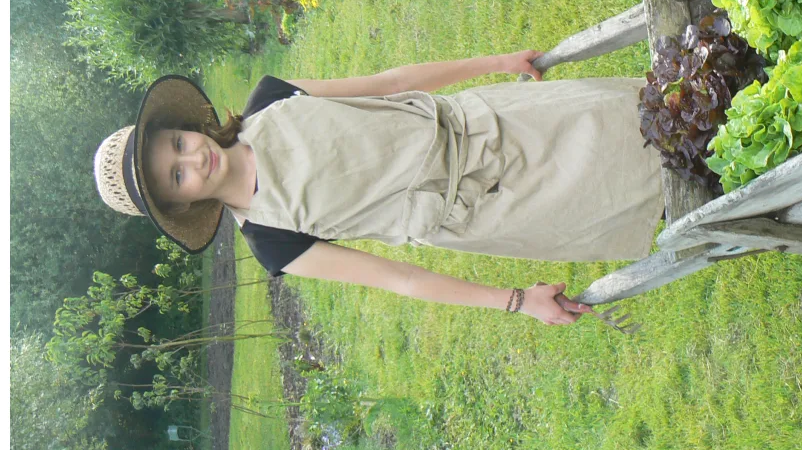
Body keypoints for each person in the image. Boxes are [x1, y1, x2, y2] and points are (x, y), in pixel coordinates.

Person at [93, 50, 666, 327]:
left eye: (178, 143)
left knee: (643, 117)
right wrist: (518, 301)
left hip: (491, 121)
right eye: (177, 175)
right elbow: (401, 279)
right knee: (643, 188)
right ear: (184, 202)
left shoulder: (272, 99)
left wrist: (497, 61)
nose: (193, 156)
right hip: (491, 207)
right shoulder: (273, 240)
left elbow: (392, 84)